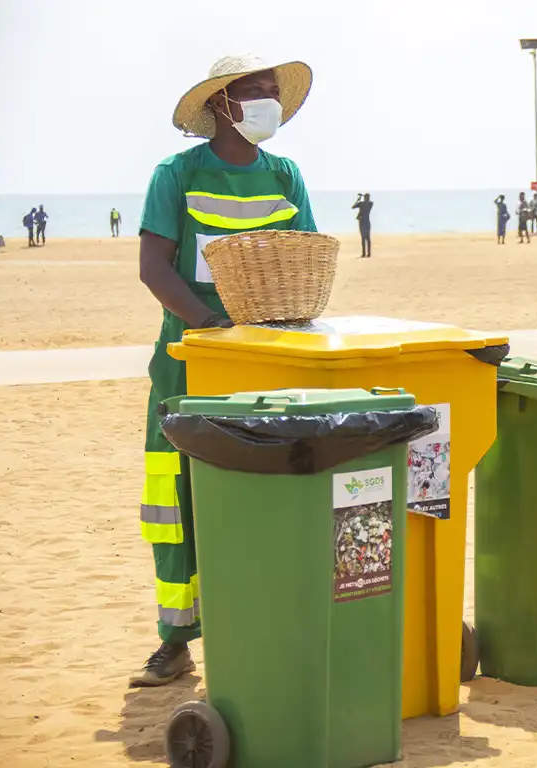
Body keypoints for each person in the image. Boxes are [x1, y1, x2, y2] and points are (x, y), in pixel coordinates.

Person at [131, 54, 316, 687]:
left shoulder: (285, 176)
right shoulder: (178, 174)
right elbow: (154, 268)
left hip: (267, 359)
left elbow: (304, 258)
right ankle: (175, 640)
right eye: (255, 90)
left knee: (262, 492)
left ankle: (266, 630)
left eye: (273, 90)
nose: (270, 100)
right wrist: (210, 326)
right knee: (177, 497)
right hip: (189, 361)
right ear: (221, 103)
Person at [352, 193, 373, 258]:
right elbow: (353, 207)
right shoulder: (370, 204)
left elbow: (353, 207)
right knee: (366, 239)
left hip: (363, 222)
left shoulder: (363, 204)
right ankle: (367, 253)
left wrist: (358, 200)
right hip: (366, 222)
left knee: (365, 239)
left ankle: (365, 253)